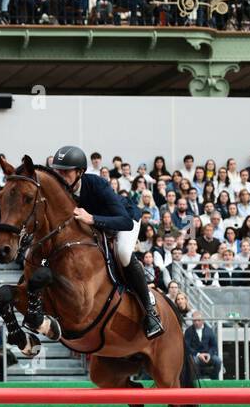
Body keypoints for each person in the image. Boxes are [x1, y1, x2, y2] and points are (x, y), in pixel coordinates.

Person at [49, 144, 164, 338]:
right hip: (93, 227)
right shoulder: (61, 190)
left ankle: (149, 311)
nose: (60, 176)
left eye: (65, 172)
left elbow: (125, 222)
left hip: (123, 220)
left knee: (123, 254)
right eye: (57, 171)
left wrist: (92, 219)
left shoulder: (97, 184)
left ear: (80, 172)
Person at [184, 310, 222, 378]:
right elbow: (187, 347)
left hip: (208, 355)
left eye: (198, 320)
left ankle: (214, 380)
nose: (196, 322)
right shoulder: (188, 331)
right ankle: (198, 380)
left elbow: (214, 346)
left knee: (218, 361)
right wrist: (198, 354)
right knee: (194, 362)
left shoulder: (209, 330)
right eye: (194, 320)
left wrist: (209, 354)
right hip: (195, 356)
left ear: (203, 320)